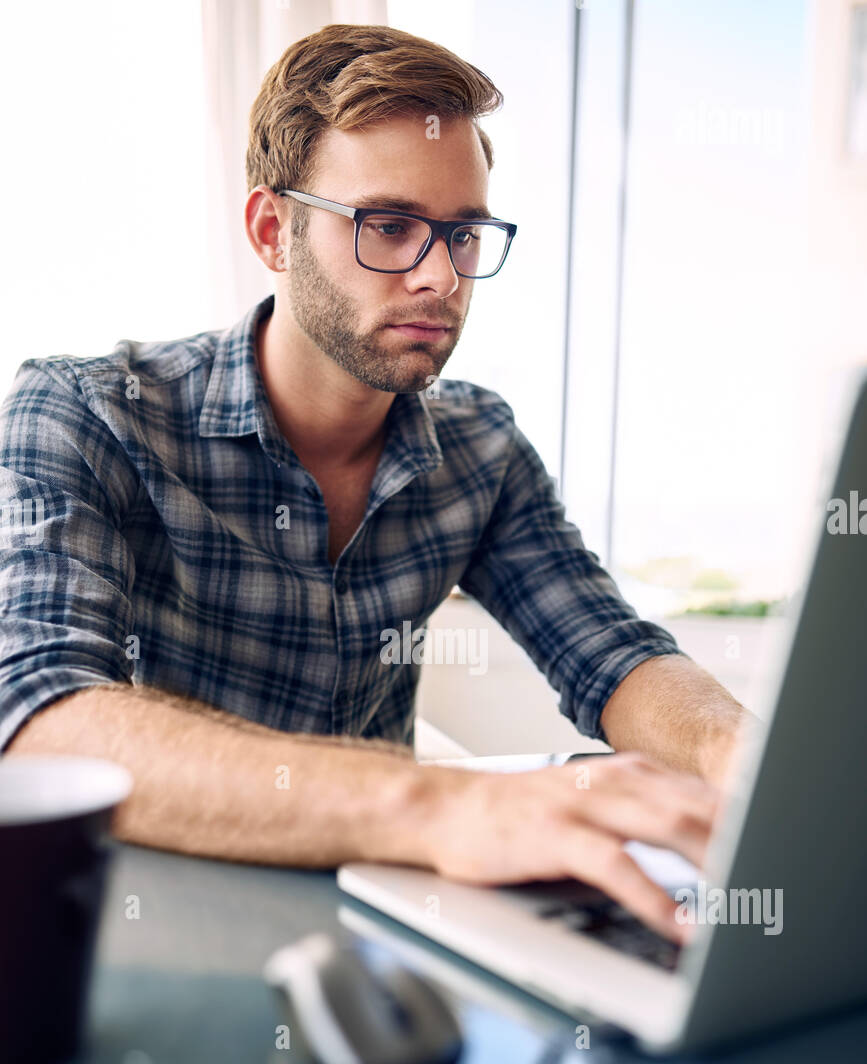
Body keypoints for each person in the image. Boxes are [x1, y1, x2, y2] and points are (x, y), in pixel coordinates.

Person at [0, 24, 753, 941]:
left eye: (464, 233)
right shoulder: (86, 411)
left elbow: (610, 653)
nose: (440, 277)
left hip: (375, 944)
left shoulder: (480, 444)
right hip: (143, 941)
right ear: (274, 231)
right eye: (388, 227)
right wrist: (445, 807)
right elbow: (39, 718)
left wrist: (740, 756)